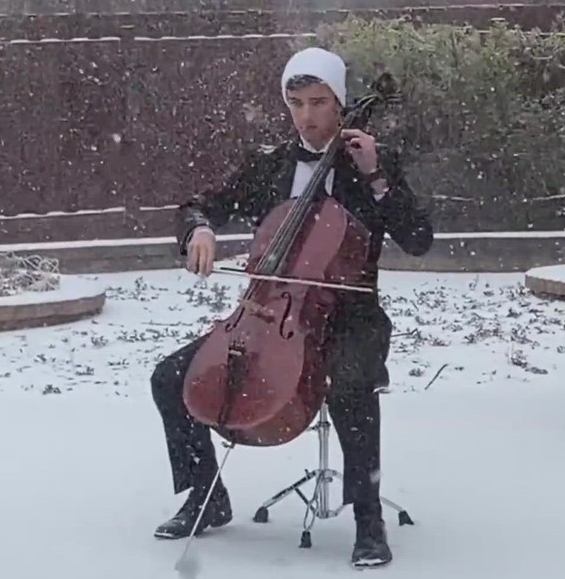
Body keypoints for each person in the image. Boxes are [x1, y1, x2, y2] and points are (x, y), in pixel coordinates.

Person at [148, 46, 434, 569]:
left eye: (319, 102)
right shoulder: (272, 165)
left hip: (352, 318)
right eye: (296, 102)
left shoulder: (373, 162)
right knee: (170, 377)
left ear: (341, 103)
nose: (307, 116)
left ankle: (368, 520)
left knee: (349, 385)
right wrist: (199, 229)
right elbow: (200, 204)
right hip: (270, 317)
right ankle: (207, 496)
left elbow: (418, 239)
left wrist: (376, 178)